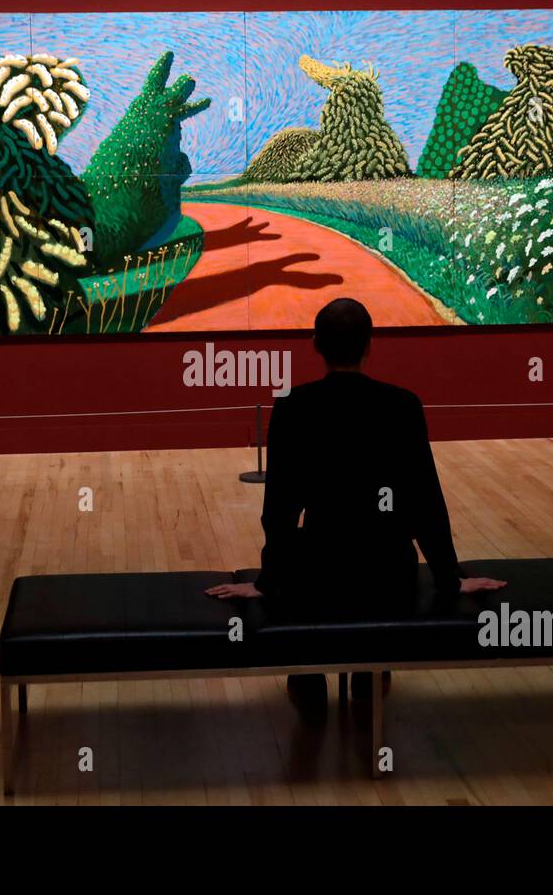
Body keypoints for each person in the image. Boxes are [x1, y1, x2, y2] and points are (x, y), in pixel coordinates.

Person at [206, 297, 506, 712]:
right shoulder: (402, 404)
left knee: (312, 575)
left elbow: (280, 508)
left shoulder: (293, 405)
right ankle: (371, 672)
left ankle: (308, 674)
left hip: (317, 571)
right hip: (389, 571)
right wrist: (450, 578)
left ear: (315, 344)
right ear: (369, 345)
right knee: (382, 577)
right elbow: (425, 502)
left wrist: (267, 581)